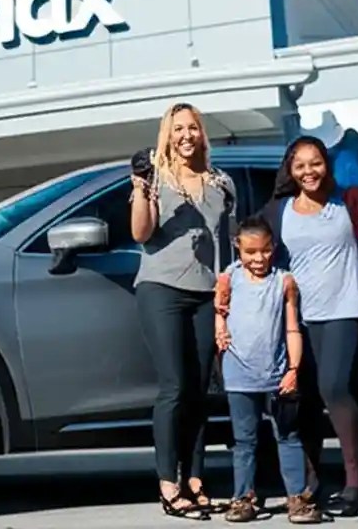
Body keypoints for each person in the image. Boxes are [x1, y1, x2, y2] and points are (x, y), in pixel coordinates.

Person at [130, 101, 238, 520]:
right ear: (167, 136)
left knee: (198, 391)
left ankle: (195, 479)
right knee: (174, 386)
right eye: (178, 130)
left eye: (193, 128)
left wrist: (228, 291)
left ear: (202, 133)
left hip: (207, 293)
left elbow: (231, 241)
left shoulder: (221, 182)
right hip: (162, 289)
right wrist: (140, 188)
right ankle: (168, 483)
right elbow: (141, 232)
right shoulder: (157, 178)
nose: (186, 135)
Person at [259, 136, 358, 516]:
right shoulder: (280, 211)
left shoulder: (346, 201)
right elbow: (249, 244)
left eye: (316, 162)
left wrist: (347, 162)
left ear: (328, 164)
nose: (309, 171)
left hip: (343, 308)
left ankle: (356, 479)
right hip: (297, 317)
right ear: (290, 171)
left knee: (334, 387)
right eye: (300, 165)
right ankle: (310, 483)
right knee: (302, 396)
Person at [213, 216, 321, 524]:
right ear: (238, 249)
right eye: (250, 252)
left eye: (264, 250)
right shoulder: (228, 279)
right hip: (239, 376)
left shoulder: (284, 282)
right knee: (244, 440)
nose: (258, 258)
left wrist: (293, 369)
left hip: (276, 376)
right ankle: (243, 497)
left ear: (272, 248)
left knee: (288, 435)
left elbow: (291, 329)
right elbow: (219, 317)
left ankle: (297, 498)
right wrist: (219, 328)